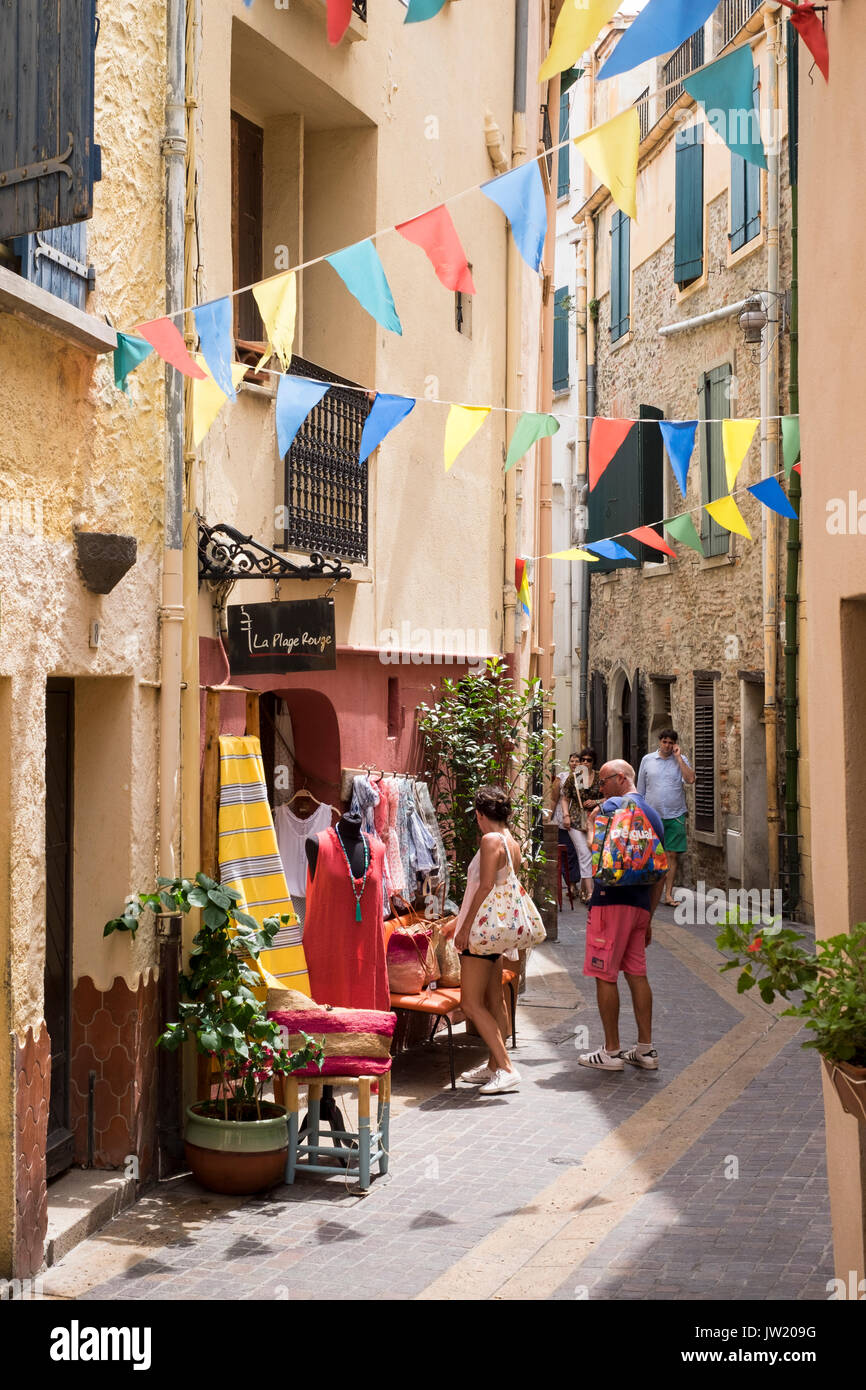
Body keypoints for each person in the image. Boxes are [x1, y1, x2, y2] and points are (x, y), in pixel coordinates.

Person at [578, 759, 666, 1072]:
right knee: (637, 974)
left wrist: (591, 825)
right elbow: (661, 871)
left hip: (610, 900)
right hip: (641, 904)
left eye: (602, 781)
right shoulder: (653, 815)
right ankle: (645, 1049)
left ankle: (611, 1052)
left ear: (619, 778)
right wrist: (649, 917)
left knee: (605, 974)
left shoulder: (613, 805)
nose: (599, 788)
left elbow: (595, 844)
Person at [448, 785, 523, 1096]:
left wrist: (464, 927)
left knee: (470, 1003)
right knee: (496, 999)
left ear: (480, 815)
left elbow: (485, 888)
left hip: (481, 931)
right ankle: (494, 1064)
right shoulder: (512, 842)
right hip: (497, 930)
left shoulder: (490, 839)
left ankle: (506, 1068)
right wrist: (456, 922)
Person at [636, 728, 695, 907]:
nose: (668, 746)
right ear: (659, 741)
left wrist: (678, 758)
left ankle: (668, 895)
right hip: (652, 815)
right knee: (650, 855)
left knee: (672, 855)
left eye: (671, 743)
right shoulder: (647, 760)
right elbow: (640, 789)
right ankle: (648, 892)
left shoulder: (681, 760)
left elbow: (691, 779)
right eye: (665, 742)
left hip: (675, 814)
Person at [559, 752, 594, 902]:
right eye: (582, 760)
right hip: (576, 820)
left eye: (588, 760)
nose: (585, 763)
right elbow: (564, 798)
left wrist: (596, 802)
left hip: (594, 820)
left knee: (590, 853)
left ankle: (585, 889)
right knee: (584, 853)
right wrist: (565, 816)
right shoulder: (574, 778)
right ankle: (589, 892)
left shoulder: (599, 777)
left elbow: (608, 796)